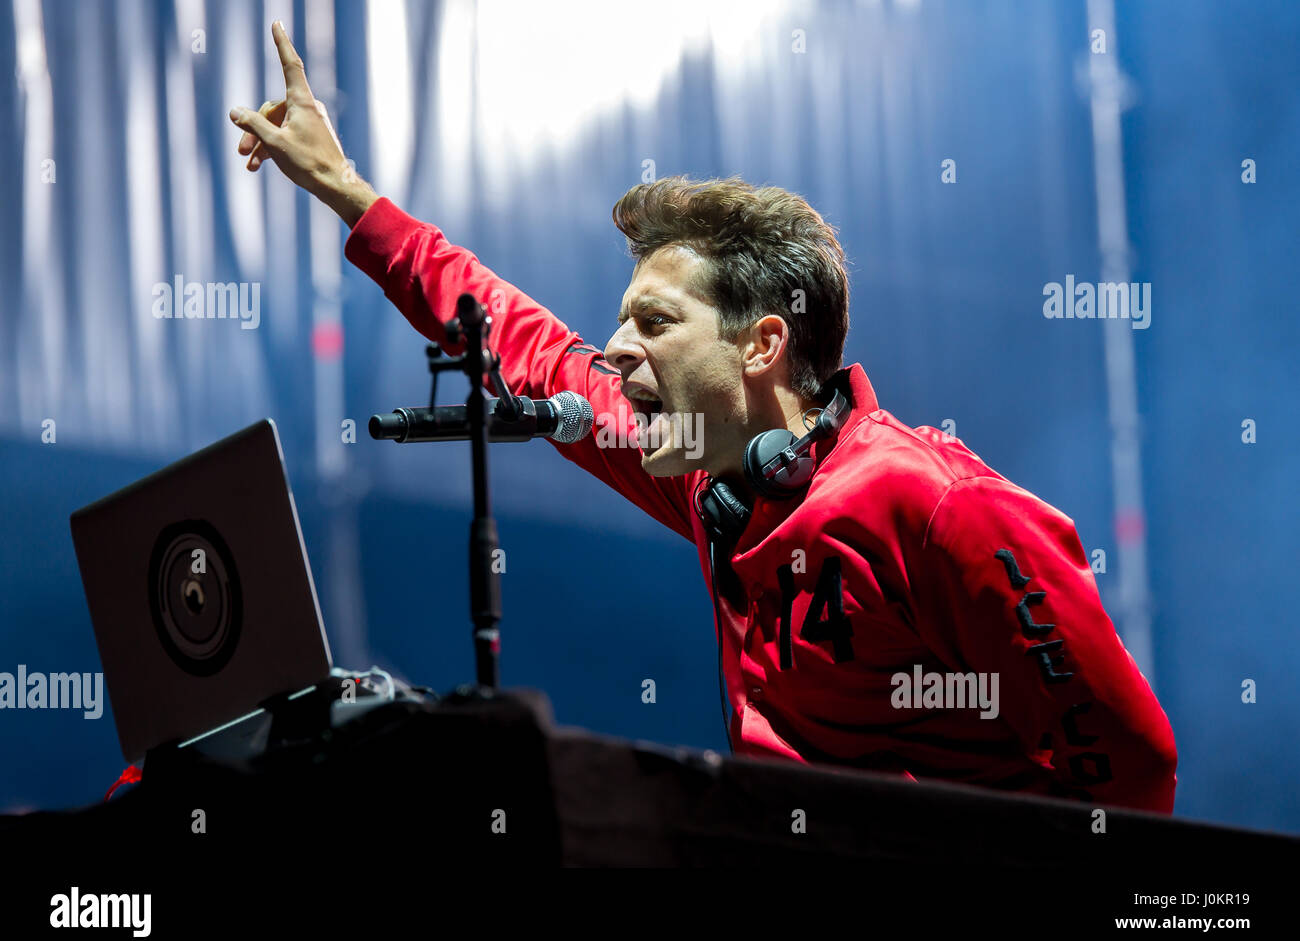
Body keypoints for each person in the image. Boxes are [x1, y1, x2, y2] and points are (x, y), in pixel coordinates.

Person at [229, 21, 1178, 813]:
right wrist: (346, 192)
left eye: (654, 321)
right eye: (619, 319)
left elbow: (1131, 774)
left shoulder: (937, 508)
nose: (612, 349)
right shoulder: (700, 470)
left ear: (762, 346)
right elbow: (518, 342)